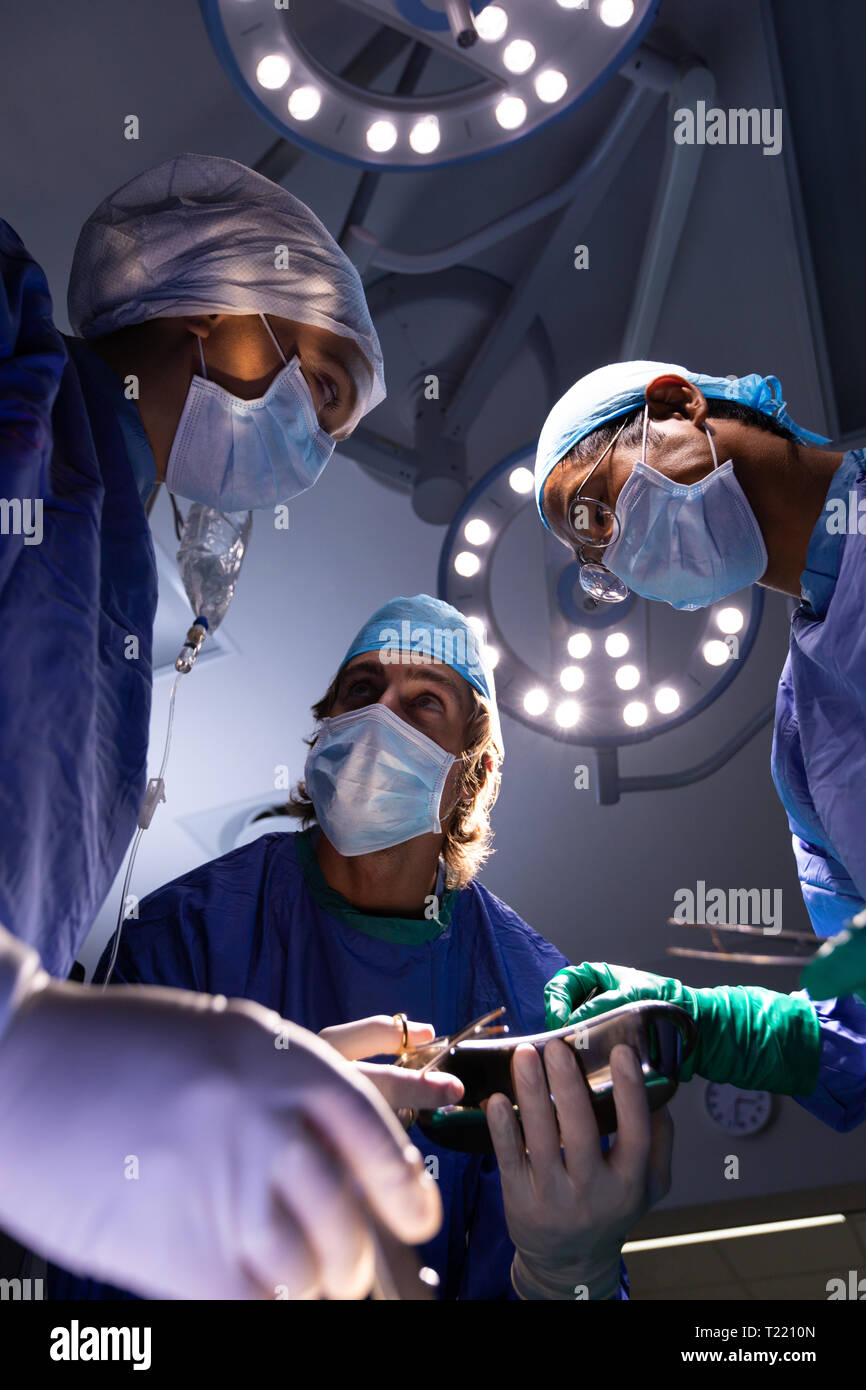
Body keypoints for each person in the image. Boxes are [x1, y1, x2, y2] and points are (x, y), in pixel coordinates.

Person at [0, 154, 447, 1299]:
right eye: (326, 393)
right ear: (226, 305)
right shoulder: (17, 366)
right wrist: (25, 1052)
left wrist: (241, 1066)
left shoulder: (113, 594)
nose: (318, 447)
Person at [51, 595, 674, 1301]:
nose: (381, 716)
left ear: (471, 772)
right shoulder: (186, 936)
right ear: (325, 731)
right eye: (362, 691)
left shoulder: (532, 996)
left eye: (424, 702)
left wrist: (566, 1278)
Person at [534, 361, 866, 1129]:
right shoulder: (808, 742)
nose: (613, 556)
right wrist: (696, 1021)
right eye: (595, 562)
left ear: (675, 404)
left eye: (593, 516)